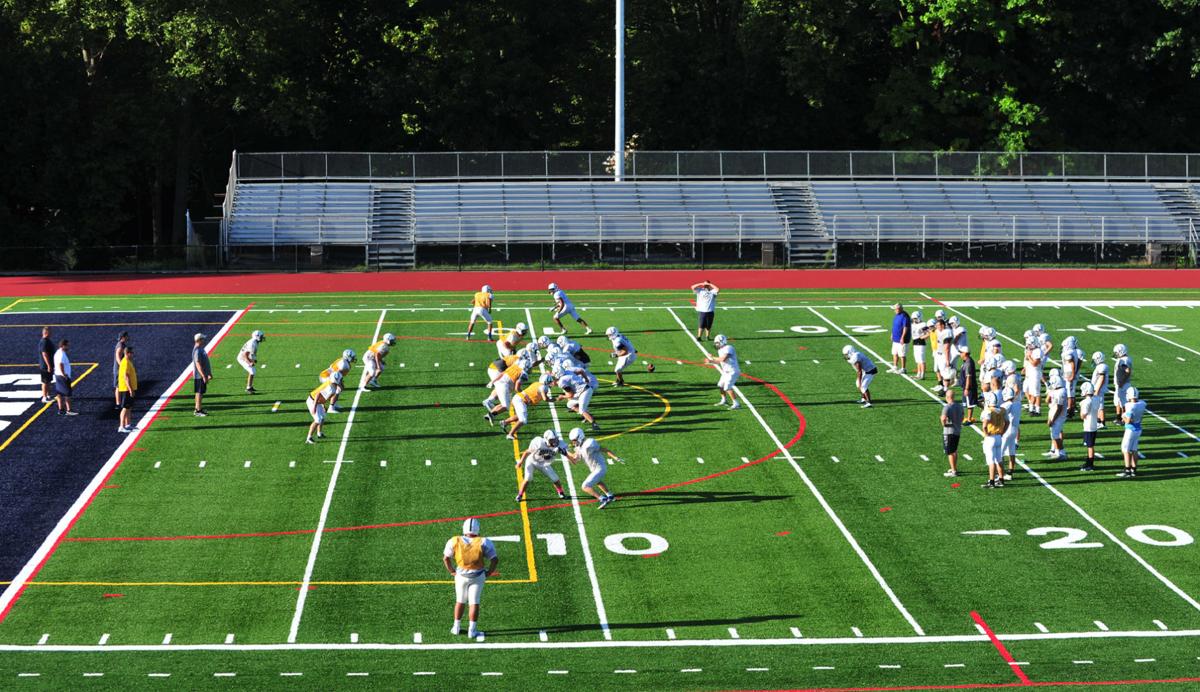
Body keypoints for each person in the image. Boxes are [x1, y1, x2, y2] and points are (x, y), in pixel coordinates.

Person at [443, 518, 498, 640]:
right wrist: (489, 572)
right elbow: (494, 559)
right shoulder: (484, 541)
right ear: (477, 529)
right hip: (478, 576)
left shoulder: (455, 540)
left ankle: (456, 627)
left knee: (460, 601)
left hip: (461, 576)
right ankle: (472, 631)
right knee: (474, 602)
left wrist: (451, 570)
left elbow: (446, 558)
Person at [567, 427, 621, 508]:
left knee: (585, 486)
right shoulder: (579, 447)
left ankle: (602, 499)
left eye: (574, 440)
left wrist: (615, 457)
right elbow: (574, 460)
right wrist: (565, 453)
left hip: (600, 468)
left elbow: (604, 449)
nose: (573, 442)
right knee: (597, 481)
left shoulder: (590, 443)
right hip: (594, 469)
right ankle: (610, 496)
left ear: (580, 437)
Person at [514, 429, 568, 501]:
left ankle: (561, 492)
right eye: (552, 440)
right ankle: (520, 495)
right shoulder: (538, 442)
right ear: (546, 439)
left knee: (555, 478)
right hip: (532, 461)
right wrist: (520, 462)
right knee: (528, 478)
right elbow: (527, 452)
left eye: (555, 439)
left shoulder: (559, 444)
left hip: (544, 463)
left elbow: (567, 452)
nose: (554, 441)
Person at [502, 373, 553, 440]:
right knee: (523, 420)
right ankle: (510, 434)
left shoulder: (537, 384)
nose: (550, 383)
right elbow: (545, 399)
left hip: (519, 398)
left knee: (520, 416)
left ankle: (505, 422)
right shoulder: (543, 387)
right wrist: (555, 399)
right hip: (521, 400)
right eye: (549, 381)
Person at [556, 367, 600, 431]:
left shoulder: (561, 381)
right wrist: (586, 379)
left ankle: (595, 424)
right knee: (569, 404)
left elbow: (571, 395)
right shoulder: (568, 372)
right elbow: (581, 371)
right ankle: (588, 415)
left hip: (584, 392)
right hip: (582, 390)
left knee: (582, 410)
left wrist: (562, 397)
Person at [705, 334, 741, 410]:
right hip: (726, 372)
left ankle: (736, 403)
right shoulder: (720, 350)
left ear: (722, 341)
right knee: (720, 385)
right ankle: (724, 400)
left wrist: (711, 358)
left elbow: (723, 359)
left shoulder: (729, 348)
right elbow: (719, 362)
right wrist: (710, 361)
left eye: (717, 342)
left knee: (727, 387)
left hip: (732, 371)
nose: (716, 344)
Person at [980, 392, 1007, 488]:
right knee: (999, 459)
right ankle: (1001, 480)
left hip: (990, 438)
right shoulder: (1002, 410)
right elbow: (1007, 422)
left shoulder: (988, 411)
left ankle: (991, 482)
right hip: (999, 437)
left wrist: (986, 433)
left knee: (991, 461)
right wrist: (1002, 432)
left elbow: (984, 425)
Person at [1117, 387, 1146, 479]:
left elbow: (1128, 421)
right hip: (1138, 429)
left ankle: (1127, 470)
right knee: (1134, 449)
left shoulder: (1130, 406)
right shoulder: (1142, 403)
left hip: (1130, 430)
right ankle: (1134, 469)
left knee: (1125, 449)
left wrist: (1123, 416)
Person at [306, 370, 340, 444]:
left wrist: (323, 405)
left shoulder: (332, 385)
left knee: (323, 417)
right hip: (313, 401)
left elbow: (323, 397)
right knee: (317, 419)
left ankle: (319, 433)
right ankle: (309, 438)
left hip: (317, 401)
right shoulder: (330, 387)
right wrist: (314, 407)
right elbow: (318, 395)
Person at [1078, 381, 1101, 471]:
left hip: (1089, 426)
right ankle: (1088, 462)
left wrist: (1081, 407)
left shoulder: (1086, 402)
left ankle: (1090, 464)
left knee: (1090, 446)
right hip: (1094, 424)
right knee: (1089, 446)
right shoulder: (1096, 398)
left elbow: (1082, 415)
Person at [941, 389, 964, 478]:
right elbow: (962, 416)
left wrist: (944, 425)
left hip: (949, 432)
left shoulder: (947, 407)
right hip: (957, 430)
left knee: (950, 452)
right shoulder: (959, 406)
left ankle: (953, 471)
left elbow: (943, 418)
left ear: (947, 397)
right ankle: (954, 467)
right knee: (954, 450)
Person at [1000, 387, 1021, 481]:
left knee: (999, 453)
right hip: (1014, 430)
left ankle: (1000, 473)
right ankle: (1010, 472)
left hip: (1007, 430)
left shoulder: (1006, 405)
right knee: (1011, 451)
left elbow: (1000, 415)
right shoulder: (1018, 403)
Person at [52, 339, 78, 416]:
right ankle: (69, 410)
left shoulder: (58, 352)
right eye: (67, 345)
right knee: (67, 394)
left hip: (57, 375)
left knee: (59, 393)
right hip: (62, 377)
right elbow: (60, 364)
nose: (68, 347)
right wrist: (64, 374)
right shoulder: (61, 354)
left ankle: (61, 409)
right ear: (63, 345)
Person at [1045, 375, 1068, 460]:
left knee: (1055, 435)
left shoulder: (1061, 392)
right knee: (1053, 435)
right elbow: (1047, 401)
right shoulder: (1055, 391)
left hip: (1058, 415)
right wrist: (1050, 391)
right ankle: (1057, 452)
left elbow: (1059, 408)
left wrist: (1053, 419)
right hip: (1053, 413)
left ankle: (1062, 453)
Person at [116, 345, 138, 433]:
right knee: (125, 407)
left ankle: (128, 424)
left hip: (129, 388)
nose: (133, 354)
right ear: (128, 353)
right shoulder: (125, 362)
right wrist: (130, 389)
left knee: (129, 407)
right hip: (126, 389)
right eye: (132, 353)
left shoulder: (128, 361)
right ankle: (121, 426)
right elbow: (126, 377)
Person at [1062, 336, 1084, 415]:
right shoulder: (1074, 351)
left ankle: (1070, 409)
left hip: (1069, 374)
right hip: (1069, 373)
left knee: (1069, 393)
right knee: (1070, 392)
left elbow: (1072, 364)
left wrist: (1073, 375)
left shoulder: (1070, 352)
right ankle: (1071, 408)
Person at [1022, 334, 1044, 414]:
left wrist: (1029, 357)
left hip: (1035, 373)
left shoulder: (1038, 351)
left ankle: (1037, 410)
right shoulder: (1031, 350)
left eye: (1030, 344)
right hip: (1030, 373)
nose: (1028, 346)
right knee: (1030, 392)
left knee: (1036, 393)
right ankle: (1031, 409)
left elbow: (1035, 363)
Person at [192, 333, 212, 417]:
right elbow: (198, 364)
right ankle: (198, 410)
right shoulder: (197, 350)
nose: (204, 340)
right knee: (199, 392)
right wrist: (203, 375)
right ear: (199, 340)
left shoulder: (200, 348)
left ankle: (198, 408)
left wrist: (209, 373)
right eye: (202, 339)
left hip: (201, 375)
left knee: (199, 392)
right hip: (199, 375)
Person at [958, 345, 978, 424]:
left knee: (970, 404)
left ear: (965, 353)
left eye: (961, 352)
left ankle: (969, 419)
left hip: (969, 387)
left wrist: (966, 388)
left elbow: (968, 377)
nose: (960, 354)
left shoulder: (968, 363)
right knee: (970, 402)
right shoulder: (967, 361)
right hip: (967, 386)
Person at [1112, 343, 1133, 419]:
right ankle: (1119, 417)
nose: (1116, 354)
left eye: (1117, 352)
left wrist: (1122, 382)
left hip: (1123, 384)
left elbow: (1127, 371)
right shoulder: (1124, 359)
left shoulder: (1124, 360)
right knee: (1117, 401)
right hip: (1120, 383)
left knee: (1123, 402)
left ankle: (1124, 418)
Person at [889, 303, 911, 374]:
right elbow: (894, 325)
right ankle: (895, 366)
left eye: (895, 309)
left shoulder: (905, 316)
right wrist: (892, 334)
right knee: (894, 353)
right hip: (896, 338)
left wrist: (902, 337)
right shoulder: (897, 315)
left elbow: (905, 327)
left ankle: (903, 368)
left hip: (902, 340)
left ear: (899, 309)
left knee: (902, 354)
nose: (894, 310)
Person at [1090, 351, 1110, 428]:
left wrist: (1097, 390)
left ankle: (1102, 423)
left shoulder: (1102, 366)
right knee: (1098, 406)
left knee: (1100, 406)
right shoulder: (1100, 366)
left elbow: (1102, 378)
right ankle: (1099, 421)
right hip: (1098, 388)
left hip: (1099, 389)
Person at [112, 331, 129, 409]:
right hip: (119, 369)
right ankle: (118, 404)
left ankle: (121, 402)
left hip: (119, 369)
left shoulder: (121, 344)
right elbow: (118, 356)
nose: (128, 337)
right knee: (118, 386)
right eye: (126, 336)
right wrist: (122, 366)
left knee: (121, 385)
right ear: (123, 337)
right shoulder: (121, 345)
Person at [38, 326, 55, 403]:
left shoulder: (47, 340)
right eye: (50, 331)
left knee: (48, 381)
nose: (51, 333)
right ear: (46, 332)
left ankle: (48, 395)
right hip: (45, 366)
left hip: (49, 364)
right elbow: (44, 354)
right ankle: (44, 397)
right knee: (45, 381)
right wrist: (48, 365)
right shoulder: (44, 342)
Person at [910, 310, 928, 379]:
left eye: (916, 318)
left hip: (921, 343)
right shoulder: (912, 323)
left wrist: (922, 337)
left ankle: (922, 375)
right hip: (915, 342)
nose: (914, 320)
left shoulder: (923, 324)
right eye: (913, 318)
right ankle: (918, 373)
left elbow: (928, 333)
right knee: (917, 360)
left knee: (921, 359)